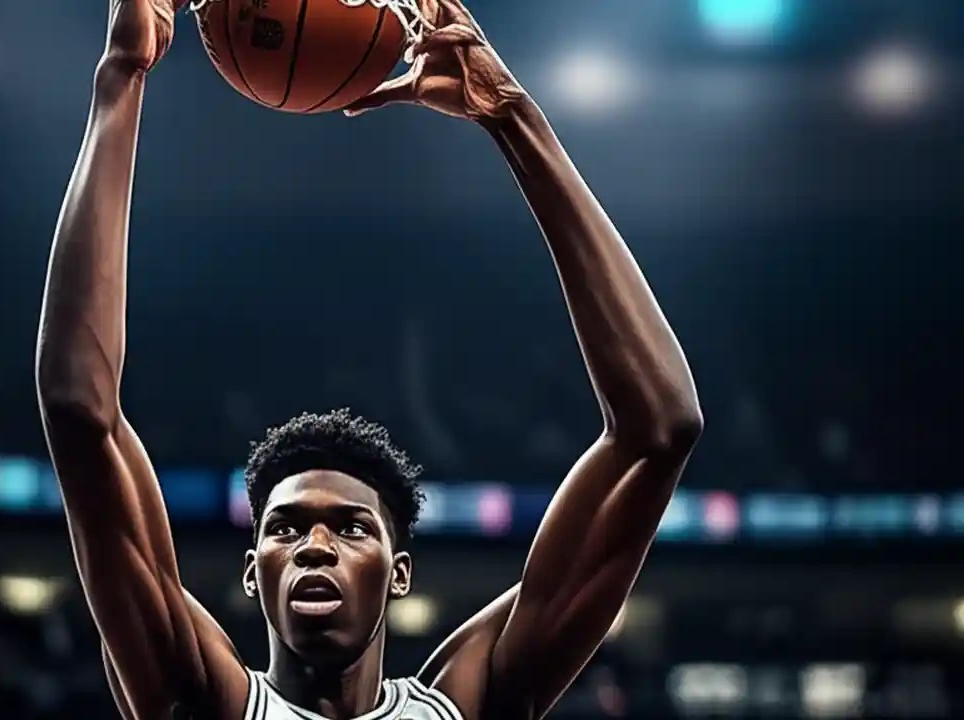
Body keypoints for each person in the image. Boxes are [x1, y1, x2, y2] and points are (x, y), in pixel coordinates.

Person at [34, 0, 703, 717]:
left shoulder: (467, 704)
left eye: (352, 527)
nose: (315, 546)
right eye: (285, 528)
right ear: (253, 574)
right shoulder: (203, 699)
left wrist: (513, 119)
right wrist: (122, 76)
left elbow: (659, 429)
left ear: (399, 573)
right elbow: (81, 413)